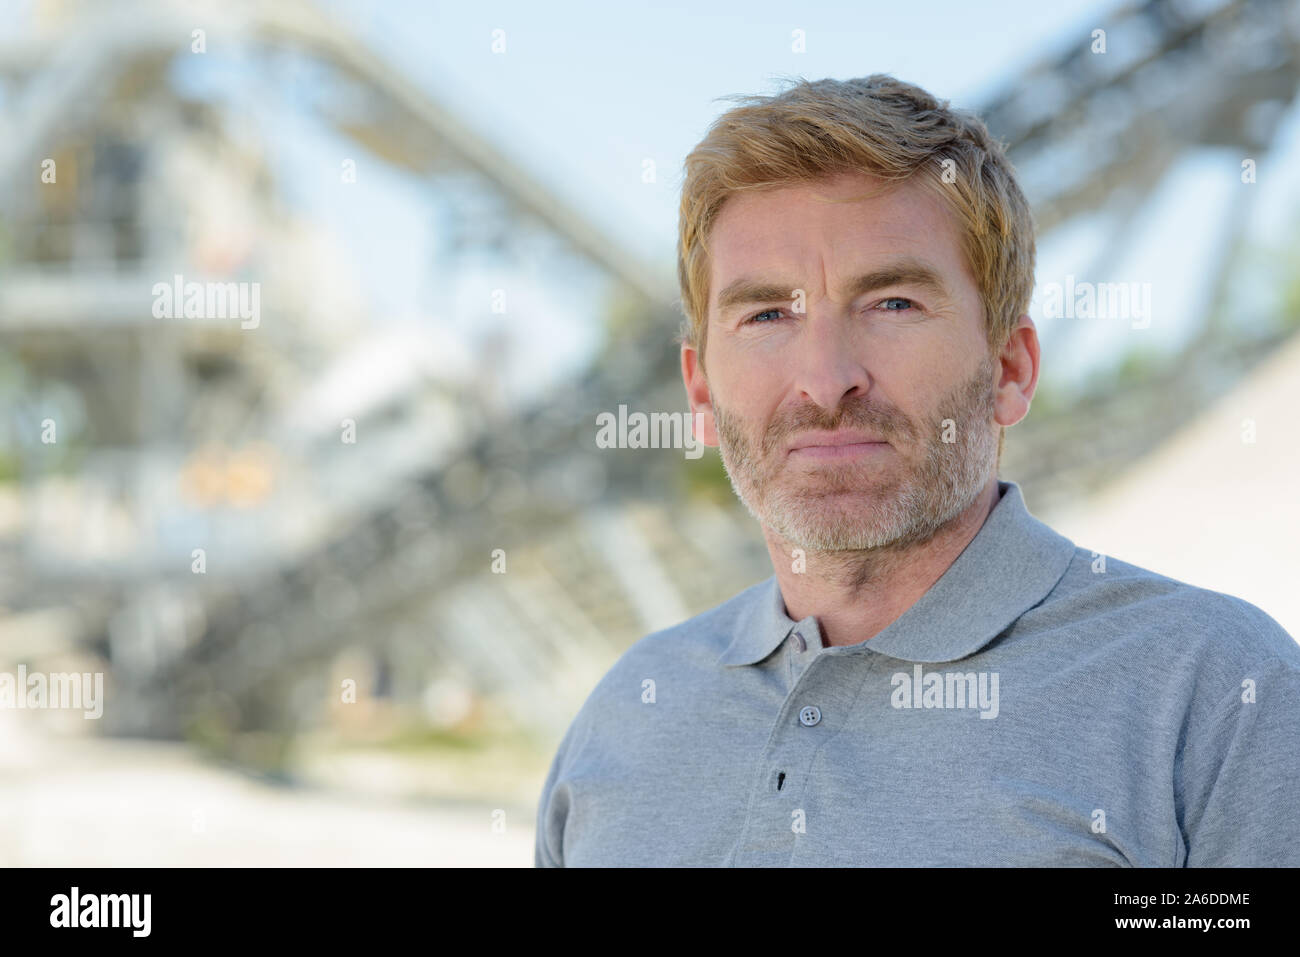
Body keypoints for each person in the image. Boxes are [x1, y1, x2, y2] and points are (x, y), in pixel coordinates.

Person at [534, 74, 1300, 866]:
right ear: (701, 389)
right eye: (767, 313)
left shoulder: (1221, 698)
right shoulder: (625, 713)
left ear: (1010, 367)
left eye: (892, 302)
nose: (826, 378)